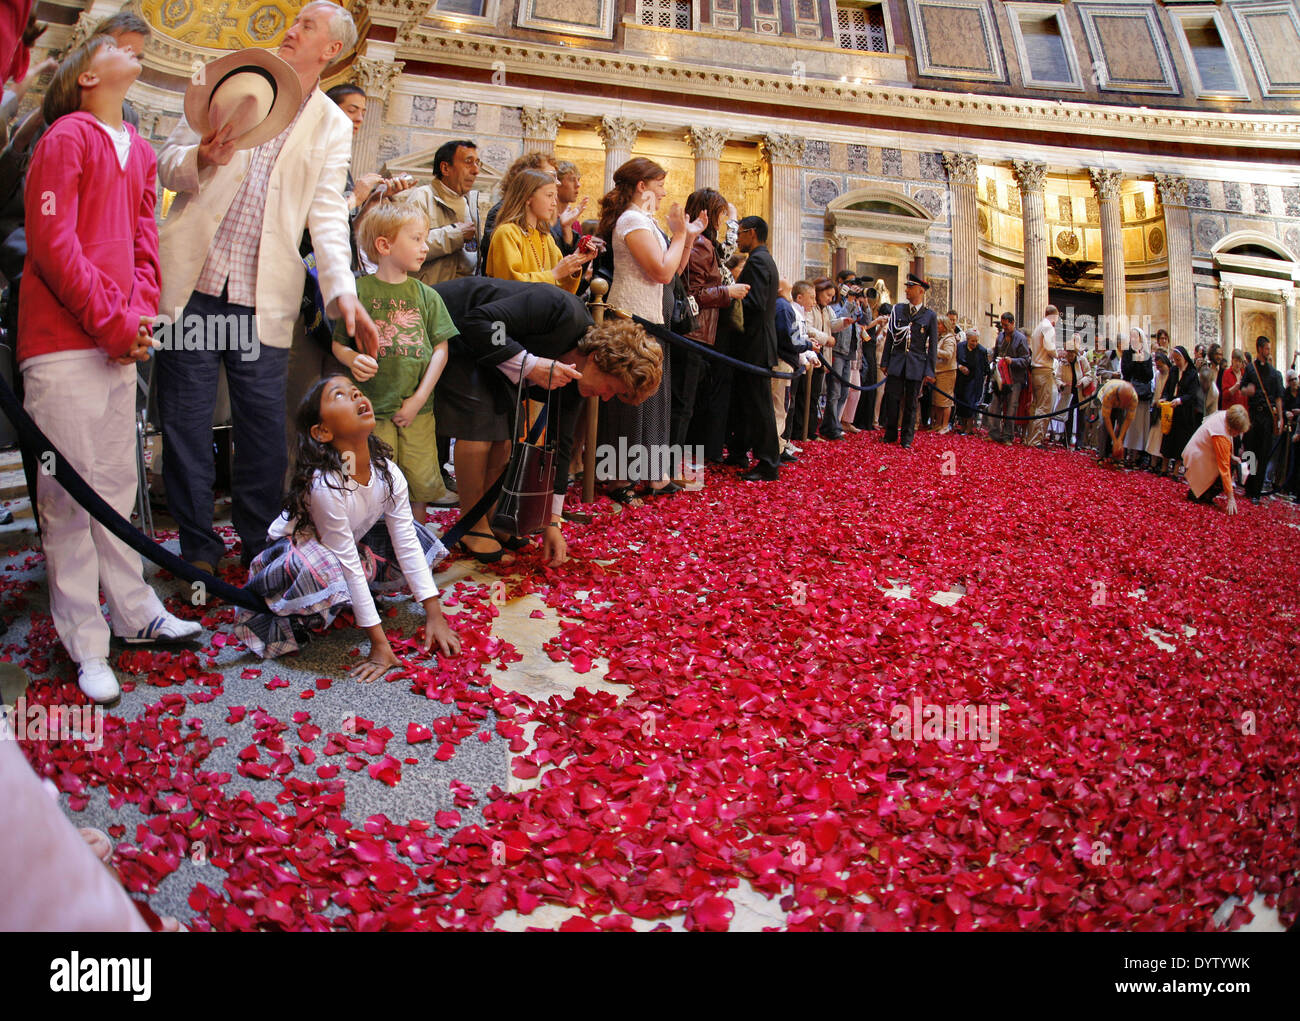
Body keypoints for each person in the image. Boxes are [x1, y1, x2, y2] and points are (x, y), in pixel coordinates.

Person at [154, 1, 378, 575]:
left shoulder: (330, 122)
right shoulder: (235, 82)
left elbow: (327, 211)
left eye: (306, 25)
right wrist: (199, 158)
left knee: (261, 430)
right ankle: (198, 552)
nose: (290, 28)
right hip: (195, 287)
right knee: (186, 422)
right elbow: (165, 161)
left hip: (262, 299)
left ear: (331, 50)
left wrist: (340, 290)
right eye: (294, 20)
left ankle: (259, 546)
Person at [18, 36, 202, 703]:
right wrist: (116, 322)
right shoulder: (66, 137)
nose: (133, 47)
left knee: (118, 483)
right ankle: (85, 639)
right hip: (63, 342)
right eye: (111, 46)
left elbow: (146, 244)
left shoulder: (143, 152)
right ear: (88, 75)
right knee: (67, 493)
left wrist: (141, 316)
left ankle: (136, 611)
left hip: (120, 342)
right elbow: (53, 243)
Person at [234, 376, 460, 673]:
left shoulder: (388, 472)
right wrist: (379, 645)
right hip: (293, 560)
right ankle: (301, 615)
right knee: (332, 561)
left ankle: (344, 602)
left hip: (343, 549)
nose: (355, 395)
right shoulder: (326, 485)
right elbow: (347, 561)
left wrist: (435, 615)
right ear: (323, 431)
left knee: (416, 534)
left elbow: (404, 540)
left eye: (356, 391)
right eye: (340, 395)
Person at [431, 277, 664, 564]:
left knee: (504, 438)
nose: (604, 398)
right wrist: (530, 364)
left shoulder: (576, 382)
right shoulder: (560, 310)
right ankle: (471, 524)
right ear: (598, 359)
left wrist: (553, 520)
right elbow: (481, 321)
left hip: (484, 351)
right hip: (450, 326)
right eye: (610, 389)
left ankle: (491, 519)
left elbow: (561, 444)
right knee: (480, 430)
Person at [328, 201, 459, 528]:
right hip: (369, 410)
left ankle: (414, 546)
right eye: (416, 239)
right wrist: (352, 358)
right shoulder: (357, 291)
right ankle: (373, 546)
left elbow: (440, 350)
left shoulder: (428, 296)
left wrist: (417, 400)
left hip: (418, 410)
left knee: (417, 482)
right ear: (384, 245)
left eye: (425, 239)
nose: (425, 246)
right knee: (371, 480)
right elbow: (338, 343)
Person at [597, 157, 703, 499]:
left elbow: (675, 268)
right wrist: (676, 234)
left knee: (654, 399)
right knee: (630, 400)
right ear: (642, 186)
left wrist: (685, 239)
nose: (664, 190)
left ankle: (655, 476)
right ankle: (619, 479)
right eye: (659, 184)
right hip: (631, 320)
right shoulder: (631, 220)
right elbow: (660, 272)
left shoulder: (645, 220)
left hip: (652, 319)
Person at [677, 187, 747, 458]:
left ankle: (674, 465)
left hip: (700, 333)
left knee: (689, 403)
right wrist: (727, 293)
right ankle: (669, 467)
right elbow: (694, 294)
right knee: (683, 403)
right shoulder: (699, 245)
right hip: (692, 332)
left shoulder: (706, 244)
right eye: (720, 215)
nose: (721, 221)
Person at [728, 215, 782, 479]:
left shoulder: (759, 260)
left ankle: (769, 463)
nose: (737, 238)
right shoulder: (763, 259)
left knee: (760, 405)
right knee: (748, 402)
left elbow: (756, 303)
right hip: (756, 342)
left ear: (752, 233)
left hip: (756, 343)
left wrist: (731, 299)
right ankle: (740, 452)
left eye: (740, 232)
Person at [399, 138, 481, 284]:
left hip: (462, 295)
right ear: (445, 168)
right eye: (468, 162)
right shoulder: (422, 197)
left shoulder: (471, 202)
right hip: (428, 295)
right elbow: (407, 247)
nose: (476, 170)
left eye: (477, 163)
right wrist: (456, 234)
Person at [880, 273, 938, 449]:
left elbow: (933, 345)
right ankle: (890, 434)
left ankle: (906, 437)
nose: (907, 290)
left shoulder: (929, 316)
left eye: (910, 287)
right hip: (897, 362)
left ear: (920, 290)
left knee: (911, 403)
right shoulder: (898, 310)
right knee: (892, 399)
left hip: (916, 364)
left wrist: (930, 370)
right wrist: (885, 361)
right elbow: (890, 337)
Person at [478, 150, 556, 274]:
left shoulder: (545, 237)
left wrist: (575, 263)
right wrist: (553, 275)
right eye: (549, 195)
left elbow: (561, 279)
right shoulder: (507, 232)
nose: (554, 203)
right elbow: (509, 280)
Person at [1236, 335, 1283, 503]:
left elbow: (1278, 398)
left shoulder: (1274, 373)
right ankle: (1249, 485)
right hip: (1253, 416)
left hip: (1267, 418)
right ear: (1260, 349)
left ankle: (1256, 491)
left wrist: (1280, 420)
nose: (1268, 351)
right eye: (1267, 348)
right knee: (1250, 452)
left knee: (1263, 454)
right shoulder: (1250, 370)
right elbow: (1242, 387)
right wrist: (1246, 390)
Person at [1183, 405, 1249, 514]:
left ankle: (1203, 495)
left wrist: (1231, 456)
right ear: (1233, 427)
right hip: (1199, 457)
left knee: (1229, 465)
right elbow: (1224, 467)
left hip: (1199, 453)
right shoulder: (1221, 433)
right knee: (1227, 470)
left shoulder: (1224, 416)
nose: (1238, 435)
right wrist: (1231, 498)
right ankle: (1199, 494)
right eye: (1238, 432)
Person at [1161, 345, 1203, 477]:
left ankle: (1175, 471)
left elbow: (1192, 394)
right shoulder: (1173, 371)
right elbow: (1168, 387)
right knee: (1168, 439)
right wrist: (1164, 398)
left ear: (1184, 359)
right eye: (1175, 360)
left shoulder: (1192, 374)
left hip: (1184, 411)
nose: (1176, 362)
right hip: (1171, 410)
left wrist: (1180, 400)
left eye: (1178, 359)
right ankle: (1164, 468)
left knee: (1180, 441)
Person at [987, 312, 1029, 444]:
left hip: (1014, 379)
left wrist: (1013, 361)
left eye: (1006, 325)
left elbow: (1026, 360)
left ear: (1012, 323)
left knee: (1011, 408)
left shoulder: (1021, 339)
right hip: (1000, 377)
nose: (1004, 328)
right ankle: (993, 433)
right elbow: (996, 354)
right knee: (994, 406)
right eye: (1003, 325)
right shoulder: (1000, 337)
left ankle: (1007, 436)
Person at [1026, 305, 1059, 448]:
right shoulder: (1048, 327)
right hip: (1044, 370)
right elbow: (1050, 348)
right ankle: (1036, 440)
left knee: (1035, 405)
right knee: (1044, 406)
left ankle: (1030, 438)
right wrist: (1059, 354)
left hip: (1035, 369)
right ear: (1054, 316)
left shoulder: (1038, 327)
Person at [1121, 326, 1154, 466]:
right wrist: (1136, 360)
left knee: (1140, 426)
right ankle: (1127, 454)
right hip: (1130, 392)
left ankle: (1137, 455)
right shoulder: (1127, 353)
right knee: (1129, 424)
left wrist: (1141, 361)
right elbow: (1126, 372)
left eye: (1136, 337)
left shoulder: (1146, 353)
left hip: (1142, 395)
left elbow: (1149, 375)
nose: (1133, 339)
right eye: (1132, 337)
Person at [1052, 335, 1092, 449]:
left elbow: (1089, 375)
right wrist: (1061, 384)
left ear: (1075, 353)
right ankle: (1066, 439)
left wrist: (1082, 381)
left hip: (1080, 394)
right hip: (1068, 394)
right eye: (1068, 353)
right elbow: (1057, 377)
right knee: (1067, 417)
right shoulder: (1063, 363)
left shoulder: (1082, 361)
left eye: (1071, 354)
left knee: (1081, 419)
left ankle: (1079, 442)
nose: (1069, 356)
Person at [954, 326, 988, 434]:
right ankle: (962, 426)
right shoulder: (960, 347)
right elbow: (954, 360)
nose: (975, 343)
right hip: (961, 379)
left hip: (974, 380)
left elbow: (985, 367)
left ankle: (969, 428)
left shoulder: (982, 350)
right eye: (972, 341)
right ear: (967, 339)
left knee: (970, 403)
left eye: (976, 341)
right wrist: (960, 367)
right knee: (961, 402)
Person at [551, 160, 588, 257]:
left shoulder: (574, 223)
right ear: (557, 183)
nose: (578, 185)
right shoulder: (545, 219)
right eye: (572, 180)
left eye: (578, 180)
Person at [1097, 378, 1139, 462]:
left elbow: (1128, 420)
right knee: (1103, 426)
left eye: (1126, 403)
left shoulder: (1134, 398)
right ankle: (1102, 454)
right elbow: (1107, 418)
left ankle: (1117, 456)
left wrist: (1119, 440)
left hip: (1119, 403)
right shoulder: (1109, 394)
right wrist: (1114, 439)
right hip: (1105, 400)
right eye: (1123, 402)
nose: (1123, 404)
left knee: (1122, 425)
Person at [1147, 349, 1175, 473]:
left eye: (1160, 366)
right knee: (1154, 436)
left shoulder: (1172, 374)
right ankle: (1153, 463)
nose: (1158, 368)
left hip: (1166, 408)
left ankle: (1162, 465)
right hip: (1157, 407)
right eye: (1157, 366)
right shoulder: (1157, 375)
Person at [930, 317, 958, 435]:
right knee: (937, 400)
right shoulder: (940, 337)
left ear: (945, 325)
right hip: (939, 371)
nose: (937, 326)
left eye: (939, 324)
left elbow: (948, 354)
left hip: (947, 372)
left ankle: (945, 425)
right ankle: (938, 424)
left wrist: (934, 350)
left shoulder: (949, 339)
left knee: (945, 400)